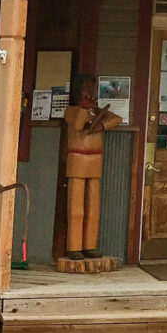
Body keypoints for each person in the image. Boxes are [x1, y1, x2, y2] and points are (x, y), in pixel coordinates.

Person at [64, 79, 122, 260]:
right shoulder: (71, 111)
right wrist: (84, 109)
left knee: (93, 206)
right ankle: (74, 246)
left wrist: (101, 125)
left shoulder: (99, 112)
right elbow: (77, 125)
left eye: (93, 92)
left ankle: (90, 245)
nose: (91, 96)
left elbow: (117, 119)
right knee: (76, 208)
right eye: (86, 92)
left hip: (95, 160)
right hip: (77, 160)